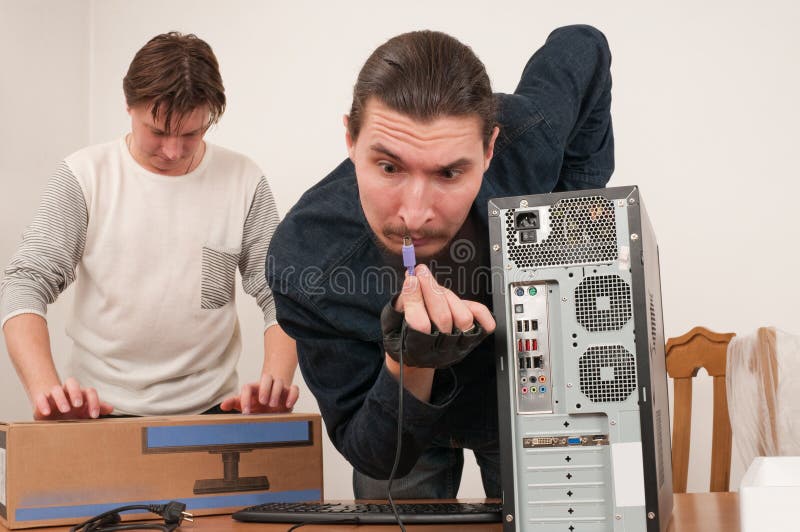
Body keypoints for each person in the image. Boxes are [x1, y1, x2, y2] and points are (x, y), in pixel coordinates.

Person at [266, 25, 614, 499]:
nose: (415, 213)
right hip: (397, 417)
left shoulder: (528, 138)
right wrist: (409, 362)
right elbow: (373, 455)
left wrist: (569, 226)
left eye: (450, 172)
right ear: (350, 138)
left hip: (522, 394)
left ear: (490, 149)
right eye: (389, 167)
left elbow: (582, 43)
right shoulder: (306, 261)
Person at [0, 32, 298, 420]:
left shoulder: (243, 179)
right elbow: (25, 283)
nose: (172, 151)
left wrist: (274, 384)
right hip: (98, 410)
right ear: (128, 105)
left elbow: (282, 293)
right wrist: (47, 393)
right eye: (157, 131)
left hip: (211, 411)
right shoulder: (85, 175)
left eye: (192, 133)